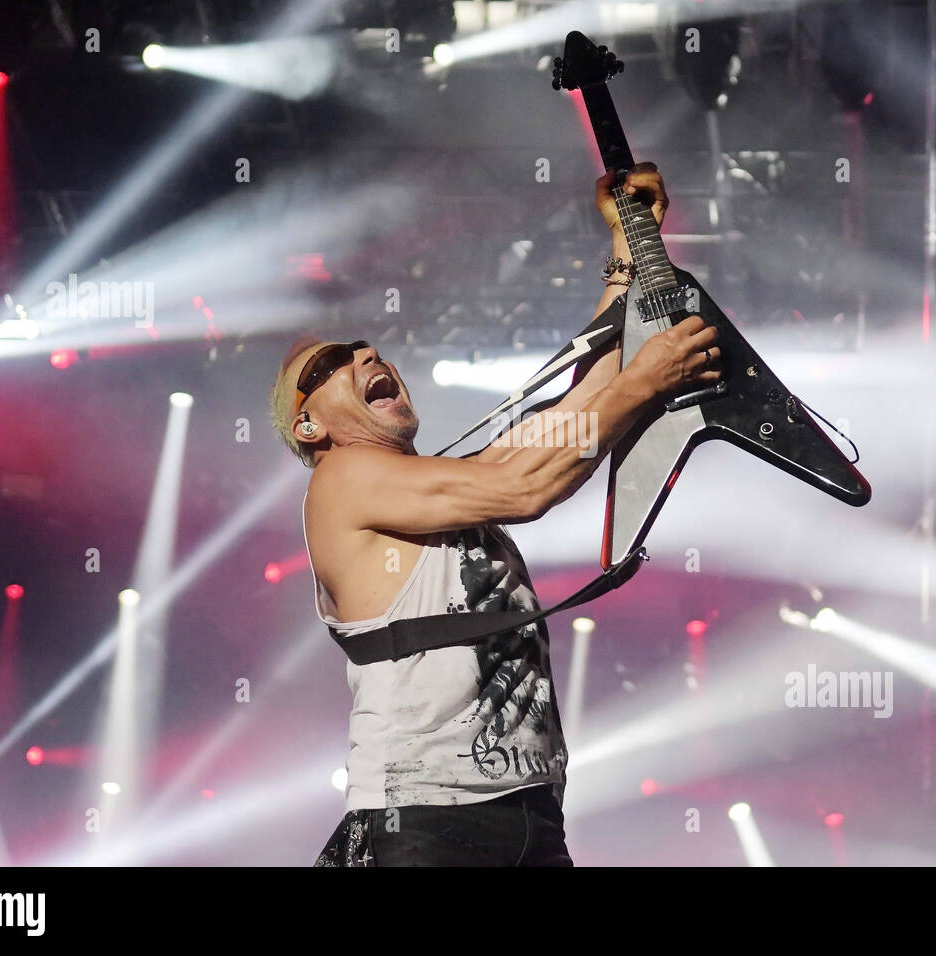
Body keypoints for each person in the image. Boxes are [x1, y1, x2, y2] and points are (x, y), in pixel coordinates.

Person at [268, 164, 720, 866]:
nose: (368, 357)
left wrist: (630, 245)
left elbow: (571, 418)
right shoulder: (341, 481)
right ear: (308, 428)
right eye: (335, 364)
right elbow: (529, 485)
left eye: (374, 351)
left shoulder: (452, 482)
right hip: (423, 819)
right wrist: (647, 380)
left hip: (531, 817)